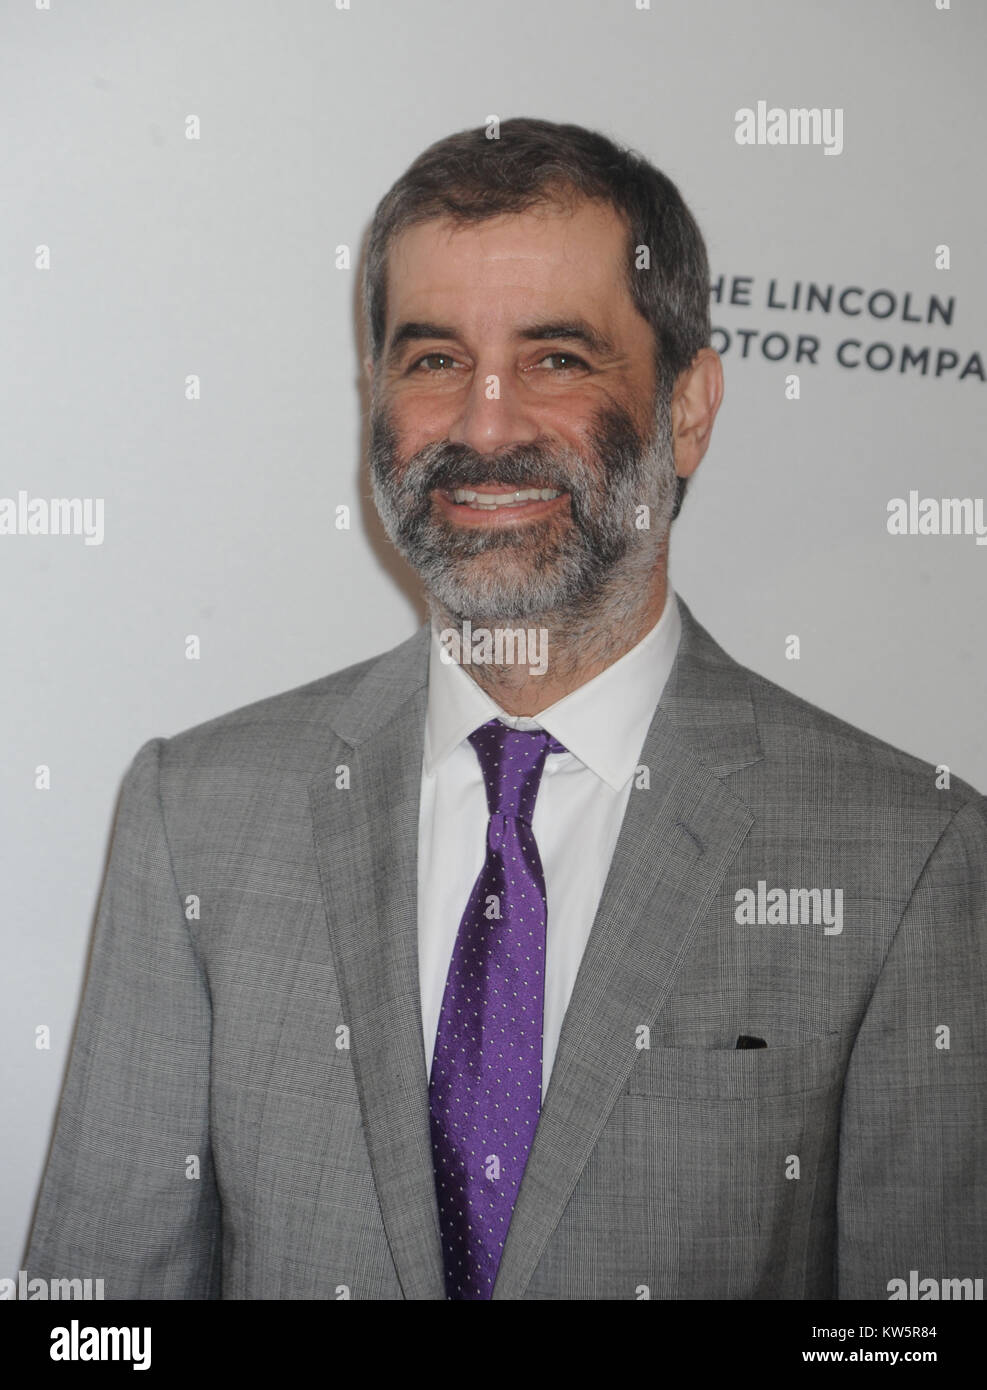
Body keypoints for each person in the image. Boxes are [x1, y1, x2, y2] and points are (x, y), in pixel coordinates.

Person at [26, 118, 987, 1300]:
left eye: (557, 360)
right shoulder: (198, 815)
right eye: (433, 359)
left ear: (688, 406)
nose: (485, 427)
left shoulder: (906, 854)